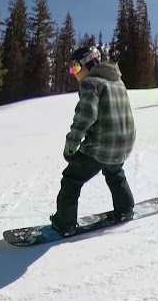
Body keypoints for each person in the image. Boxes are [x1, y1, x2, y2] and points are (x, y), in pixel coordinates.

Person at [49, 44, 137, 237]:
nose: (74, 74)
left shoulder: (91, 83)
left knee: (71, 180)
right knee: (115, 173)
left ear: (88, 64)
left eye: (75, 68)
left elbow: (85, 117)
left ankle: (65, 224)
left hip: (102, 146)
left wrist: (71, 147)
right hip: (123, 145)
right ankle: (125, 209)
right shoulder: (118, 82)